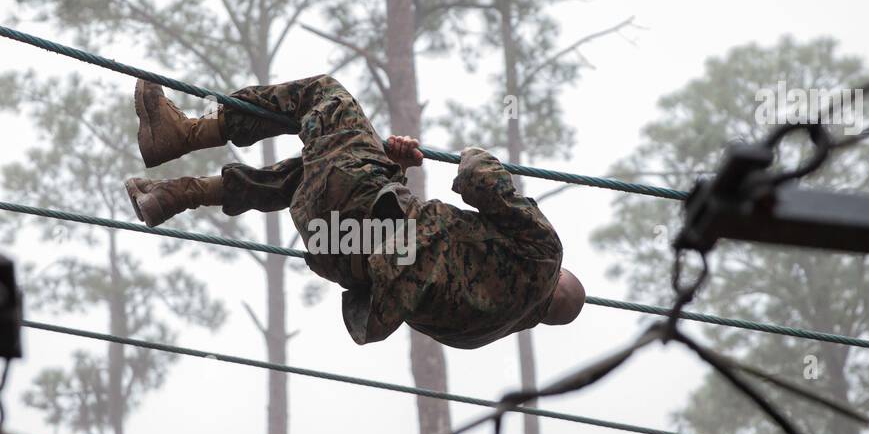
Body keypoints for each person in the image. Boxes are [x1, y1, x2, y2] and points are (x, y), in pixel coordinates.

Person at [124, 75, 585, 348]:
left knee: (326, 97)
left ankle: (185, 133)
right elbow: (411, 260)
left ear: (559, 279)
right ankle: (174, 196)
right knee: (314, 171)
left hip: (366, 213)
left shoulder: (544, 258)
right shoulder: (477, 333)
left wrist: (475, 155)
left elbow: (480, 179)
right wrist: (393, 171)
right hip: (332, 245)